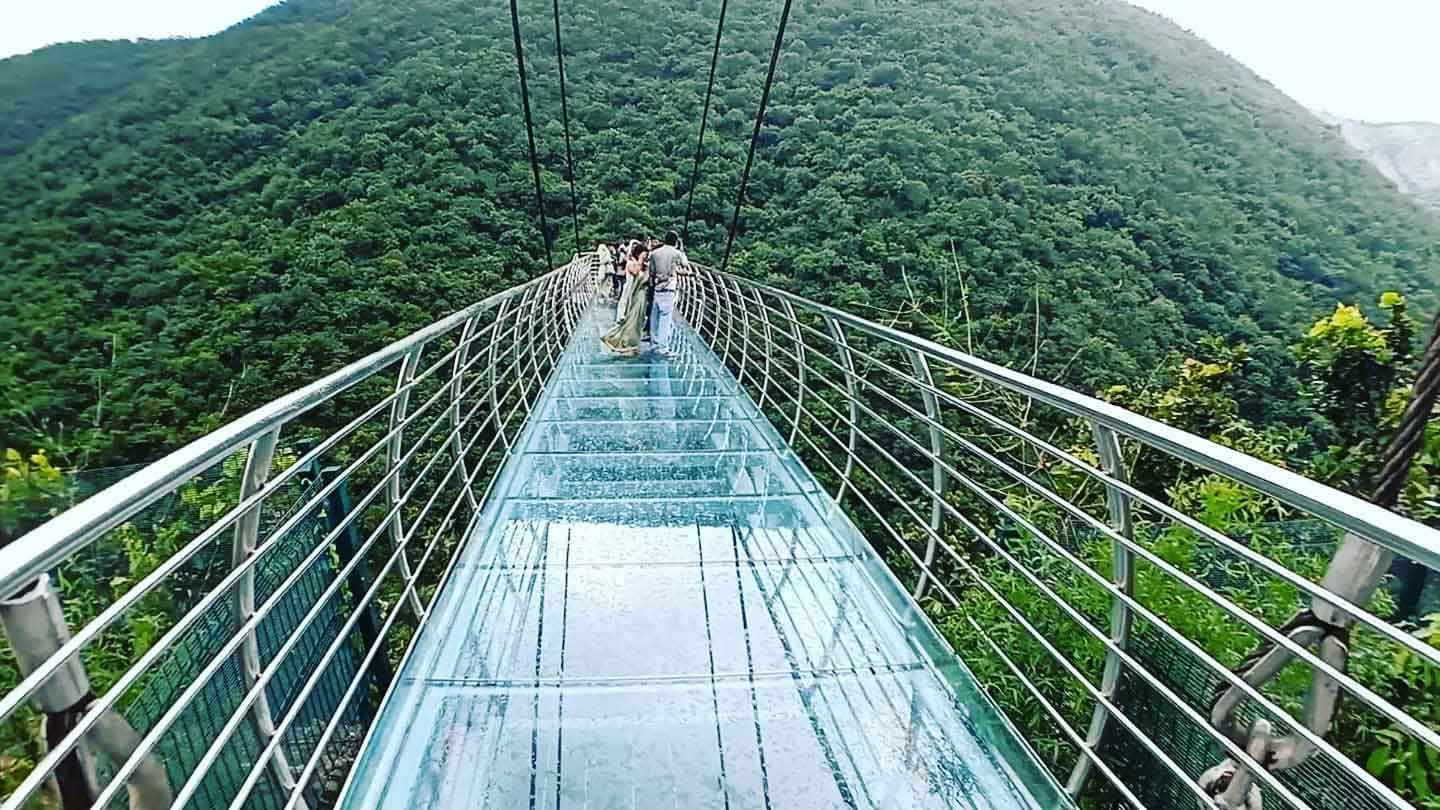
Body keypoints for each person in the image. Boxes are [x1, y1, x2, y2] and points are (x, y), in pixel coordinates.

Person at [601, 242, 650, 356]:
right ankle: (621, 342)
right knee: (630, 319)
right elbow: (636, 272)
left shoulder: (643, 265)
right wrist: (640, 260)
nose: (646, 257)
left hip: (642, 295)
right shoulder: (631, 263)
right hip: (632, 295)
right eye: (644, 254)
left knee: (637, 321)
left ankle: (633, 344)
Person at [646, 230, 687, 358]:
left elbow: (651, 272)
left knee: (654, 317)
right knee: (665, 319)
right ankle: (663, 348)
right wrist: (681, 249)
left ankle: (654, 344)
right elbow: (685, 263)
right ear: (675, 241)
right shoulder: (676, 253)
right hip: (669, 288)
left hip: (657, 288)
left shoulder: (654, 253)